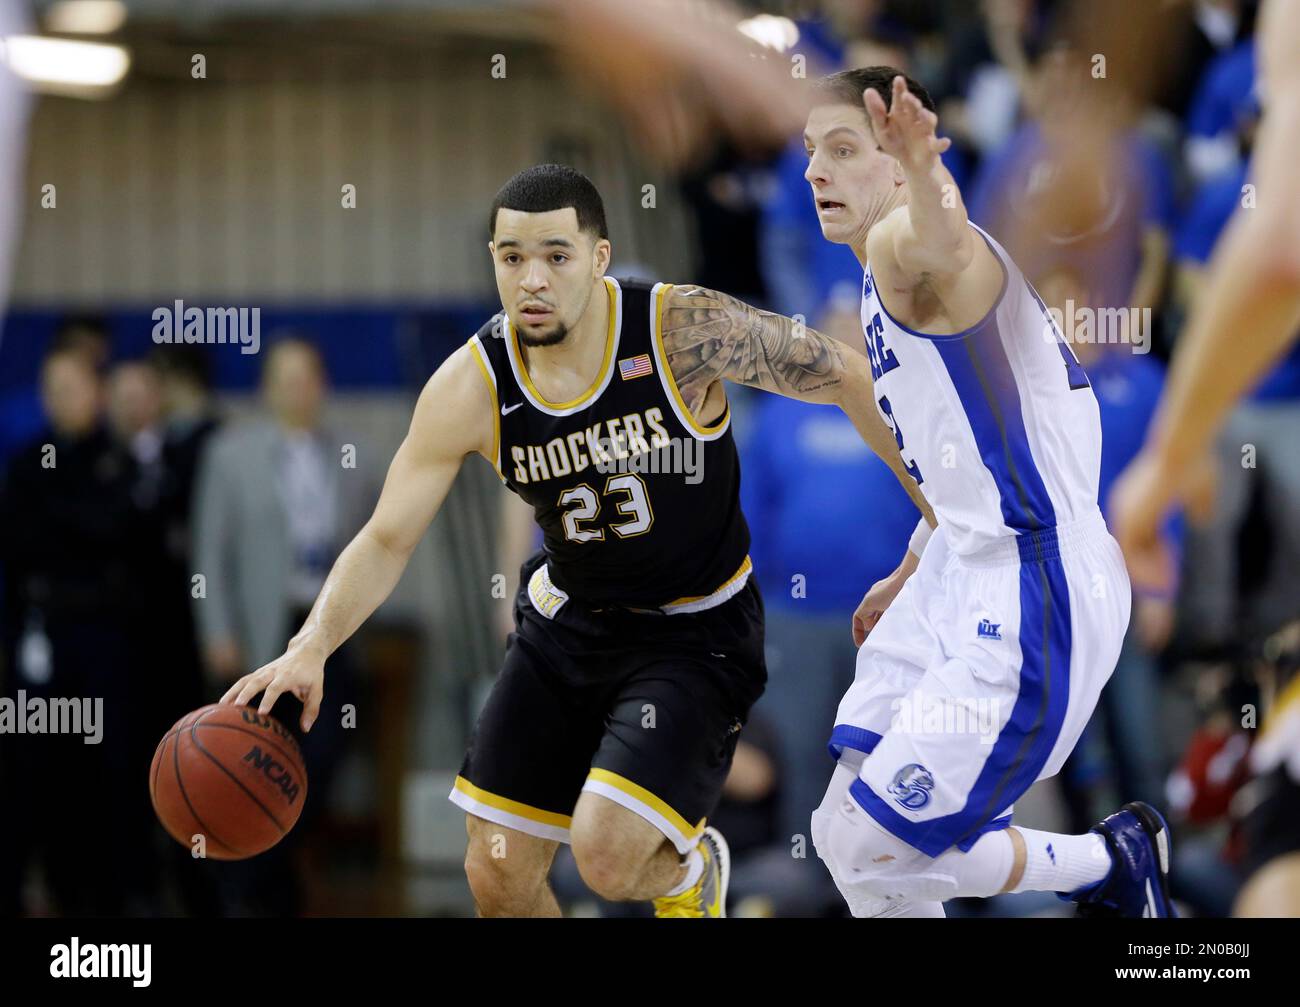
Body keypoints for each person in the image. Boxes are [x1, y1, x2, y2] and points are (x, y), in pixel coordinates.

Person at [219, 163, 932, 918]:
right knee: (495, 873)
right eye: (512, 257)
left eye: (556, 255)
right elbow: (387, 537)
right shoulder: (471, 384)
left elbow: (847, 376)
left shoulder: (680, 329)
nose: (532, 278)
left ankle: (688, 874)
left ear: (597, 258)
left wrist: (942, 519)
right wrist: (311, 645)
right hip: (567, 626)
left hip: (693, 632)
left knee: (607, 855)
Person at [801, 67, 1173, 918]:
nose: (816, 171)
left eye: (844, 149)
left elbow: (946, 241)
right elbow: (958, 462)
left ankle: (1105, 862)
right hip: (962, 564)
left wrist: (927, 175)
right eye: (811, 152)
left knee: (873, 843)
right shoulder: (876, 276)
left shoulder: (905, 245)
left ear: (893, 164)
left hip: (1035, 585)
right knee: (840, 838)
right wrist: (911, 565)